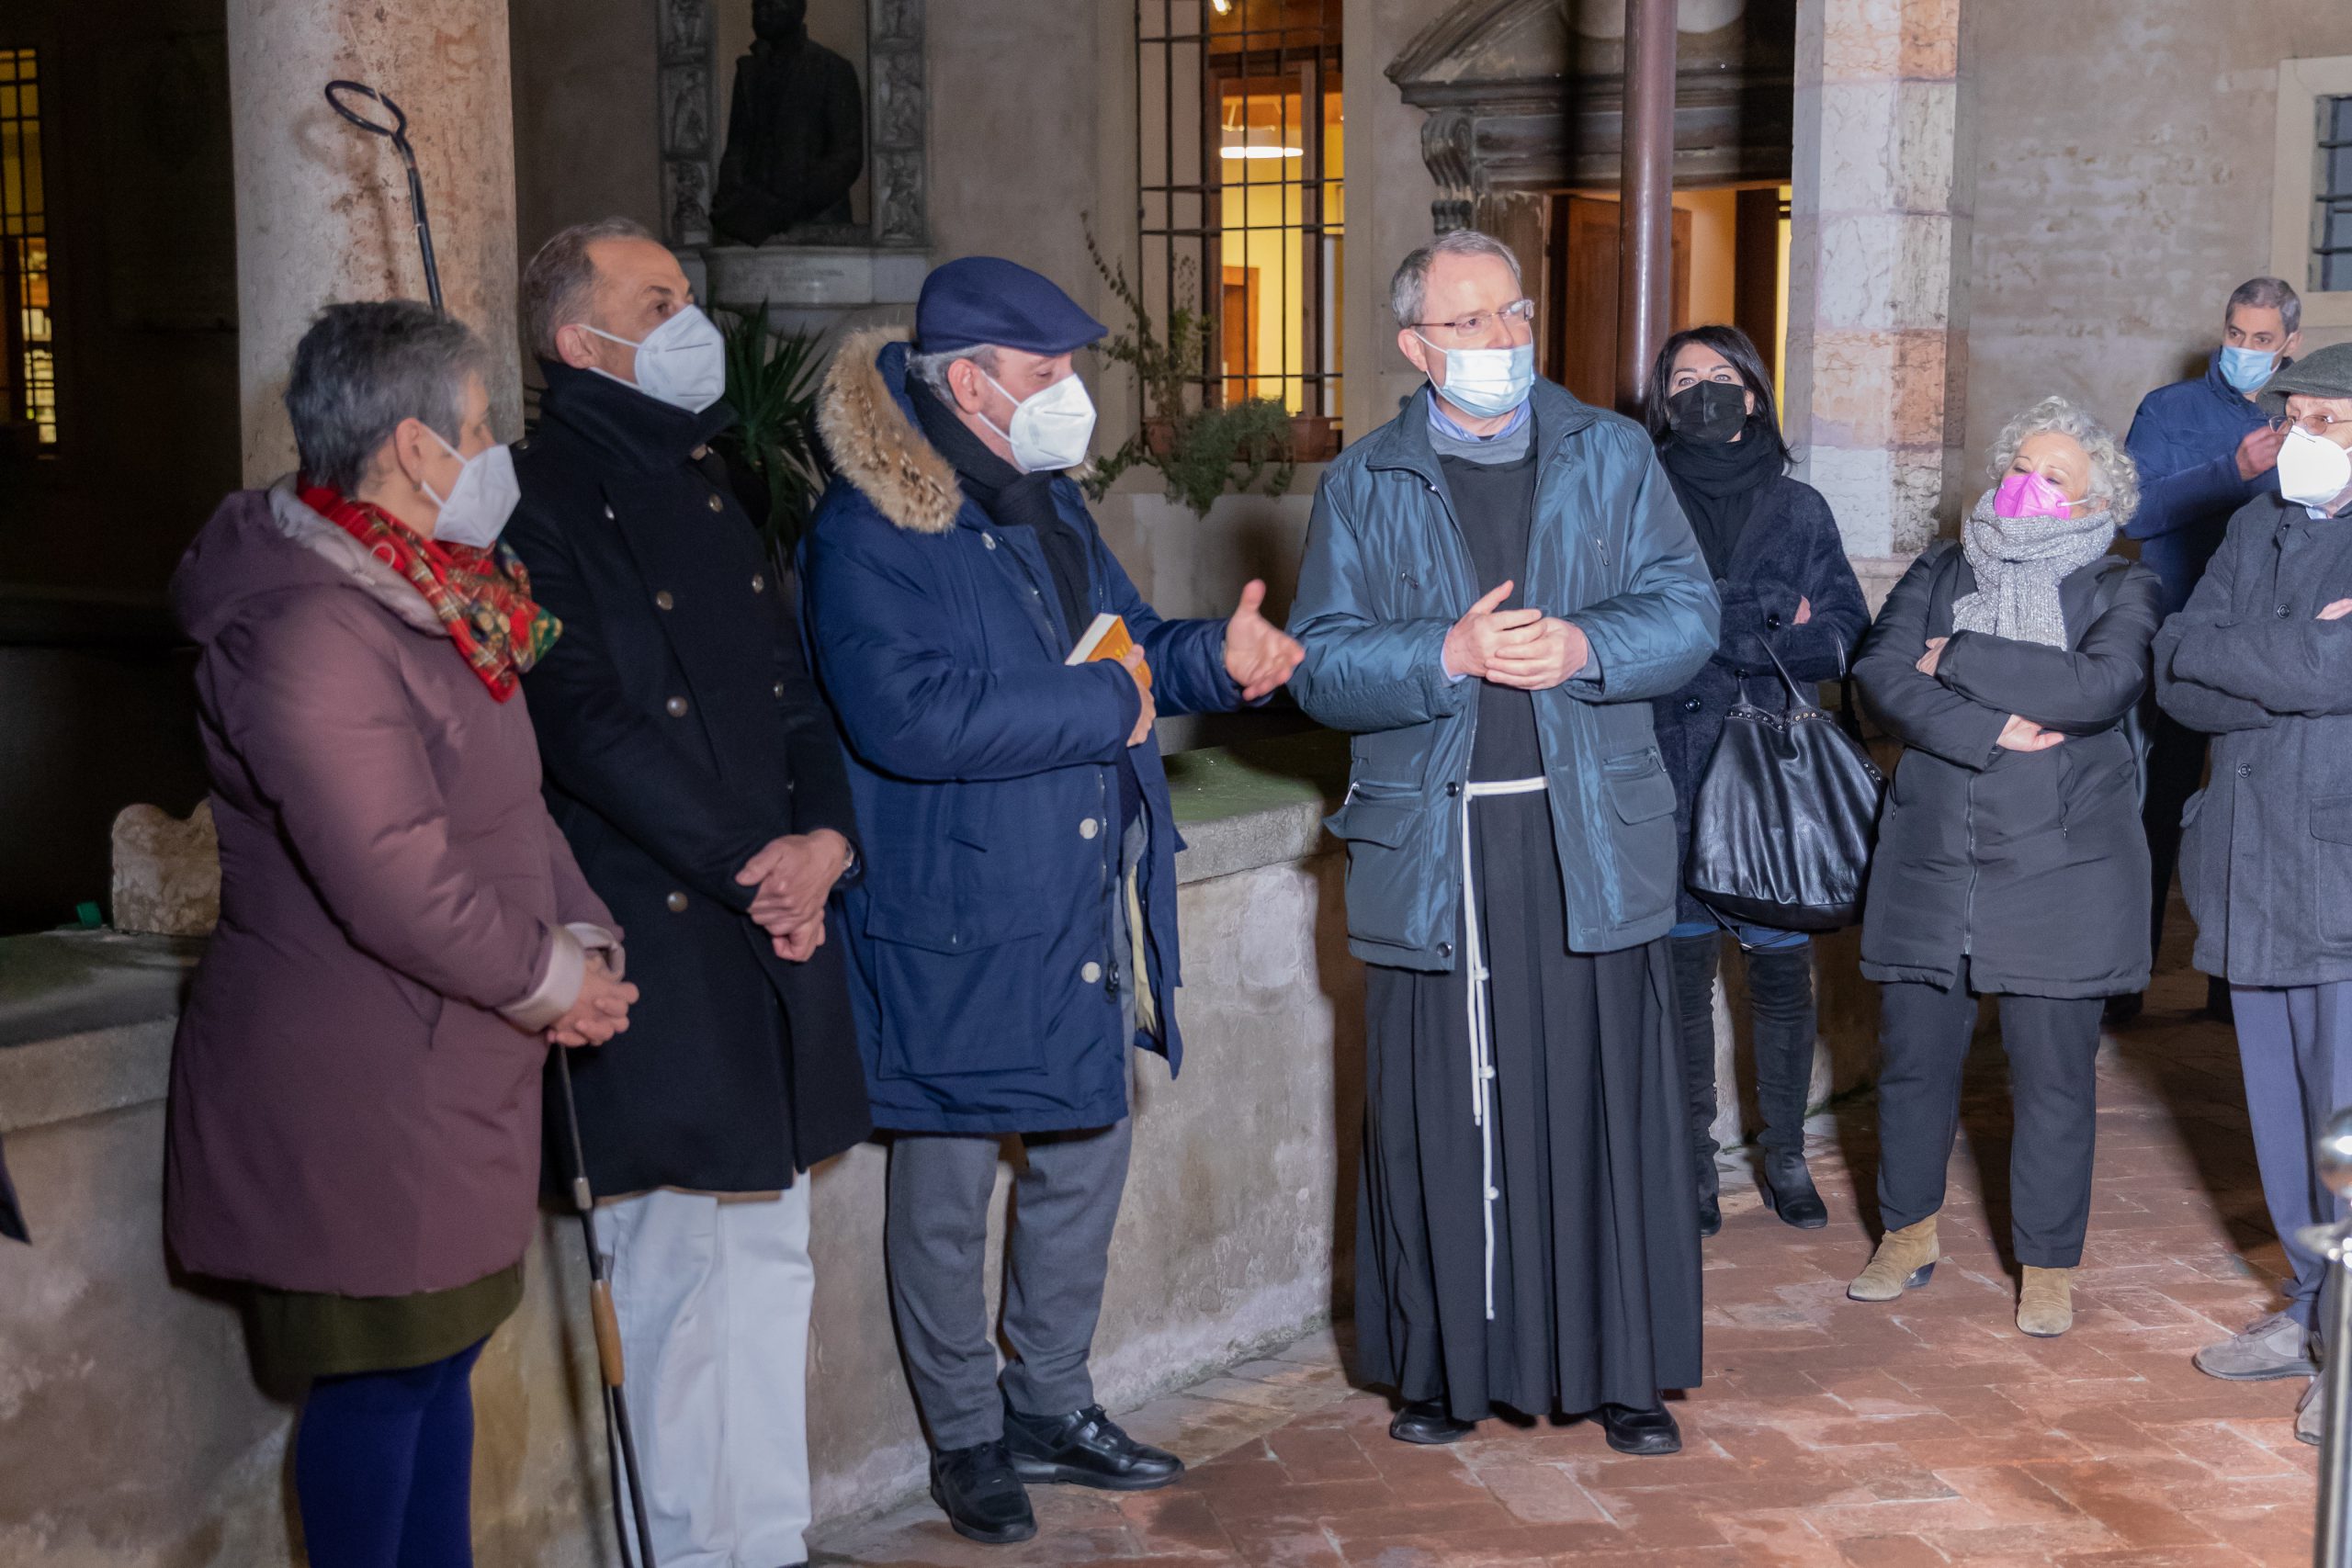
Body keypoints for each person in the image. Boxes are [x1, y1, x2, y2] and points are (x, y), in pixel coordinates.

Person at [800, 256, 1304, 1546]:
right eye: (1047, 373)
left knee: (1089, 1142)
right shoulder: (869, 529)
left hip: (1072, 886)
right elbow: (903, 715)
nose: (1070, 392)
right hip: (954, 905)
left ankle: (1052, 1399)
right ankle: (967, 1435)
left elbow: (1128, 641)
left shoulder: (1048, 501)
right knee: (952, 1171)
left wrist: (1221, 659)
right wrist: (1103, 703)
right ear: (969, 382)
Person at [164, 300, 638, 1567]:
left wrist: (583, 929)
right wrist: (553, 982)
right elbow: (393, 875)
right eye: (481, 426)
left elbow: (508, 803)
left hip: (449, 1068)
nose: (498, 450)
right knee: (380, 1390)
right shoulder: (311, 631)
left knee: (435, 1372)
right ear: (419, 448)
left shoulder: (435, 593)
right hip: (359, 1083)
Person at [1287, 229, 1719, 1456]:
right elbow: (1318, 662)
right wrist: (1443, 653)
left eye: (1515, 314)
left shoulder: (1612, 451)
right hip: (1436, 845)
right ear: (1416, 345)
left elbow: (1686, 611)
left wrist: (1586, 647)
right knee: (1441, 1113)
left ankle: (1624, 1371)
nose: (1502, 341)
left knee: (1607, 1106)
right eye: (1469, 323)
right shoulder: (1363, 482)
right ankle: (1441, 1368)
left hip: (1587, 830)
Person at [501, 218, 873, 1568]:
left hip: (776, 922)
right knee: (665, 1290)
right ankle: (680, 1551)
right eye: (655, 298)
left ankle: (767, 1542)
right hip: (657, 928)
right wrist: (746, 861)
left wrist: (825, 836)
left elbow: (792, 694)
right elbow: (584, 720)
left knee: (774, 1266)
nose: (687, 316)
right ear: (576, 339)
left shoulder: (712, 482)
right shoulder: (531, 497)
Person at [1847, 395, 2159, 1339]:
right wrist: (1985, 724)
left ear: (2095, 497)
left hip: (2063, 867)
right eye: (2019, 464)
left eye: (2053, 473)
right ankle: (1905, 1233)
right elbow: (1879, 670)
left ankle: (2049, 1263)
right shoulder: (1944, 565)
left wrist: (1961, 654)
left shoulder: (2121, 587)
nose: (2026, 483)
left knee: (2054, 1078)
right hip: (1934, 856)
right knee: (1912, 1065)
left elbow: (2096, 686)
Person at [2154, 341, 2352, 1446]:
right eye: (2296, 419)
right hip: (2245, 858)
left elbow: (2340, 673)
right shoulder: (2250, 526)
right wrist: (2289, 660)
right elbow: (2176, 674)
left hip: (2338, 871)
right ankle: (2311, 1303)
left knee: (2344, 1125)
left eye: (2329, 419)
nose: (2304, 440)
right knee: (2278, 1121)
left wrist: (2255, 659)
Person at [1642, 323, 1869, 1238]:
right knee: (1681, 982)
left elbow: (1849, 630)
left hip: (1775, 785)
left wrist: (1718, 626)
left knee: (1782, 983)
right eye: (1682, 377)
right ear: (1663, 398)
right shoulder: (1635, 496)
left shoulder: (1800, 506)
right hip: (1666, 777)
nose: (1701, 390)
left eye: (1718, 375)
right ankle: (1690, 1162)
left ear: (1752, 387)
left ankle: (1783, 1154)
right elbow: (1632, 630)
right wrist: (1772, 616)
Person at [2111, 277, 2301, 1025]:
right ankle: (2127, 984)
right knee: (2155, 808)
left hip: (2274, 647)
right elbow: (2131, 509)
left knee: (2256, 816)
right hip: (2177, 635)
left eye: (2261, 339)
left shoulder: (2310, 413)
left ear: (2289, 342)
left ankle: (2237, 989)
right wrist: (2235, 471)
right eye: (2235, 333)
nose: (2244, 351)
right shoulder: (2169, 410)